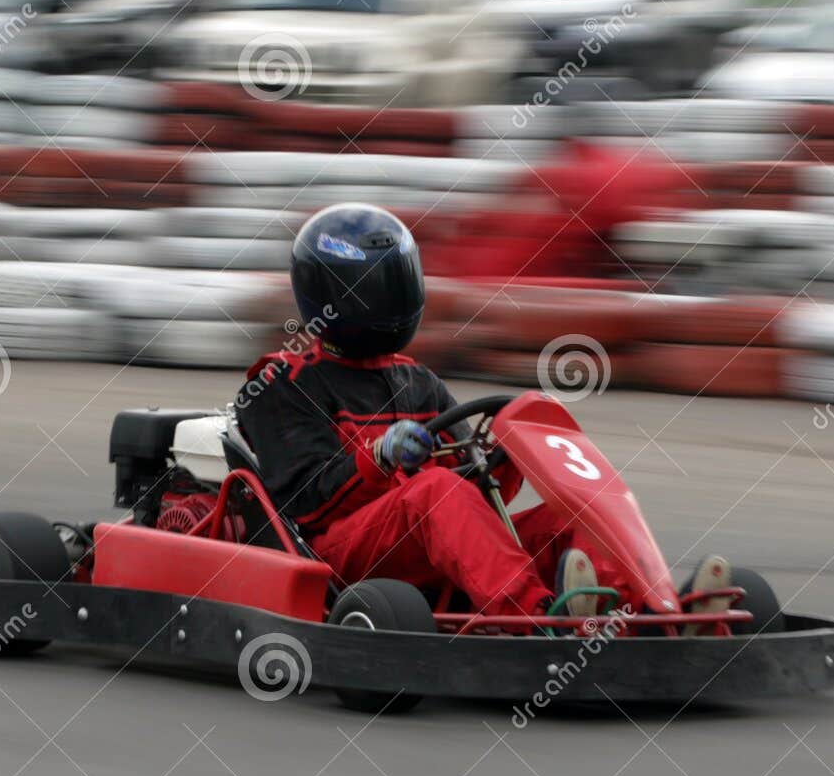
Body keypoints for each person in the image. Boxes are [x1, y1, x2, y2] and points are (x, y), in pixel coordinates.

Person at [236, 204, 683, 623]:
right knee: (436, 490)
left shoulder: (420, 382)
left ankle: (634, 608)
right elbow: (306, 505)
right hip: (338, 552)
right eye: (377, 287)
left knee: (569, 515)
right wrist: (381, 457)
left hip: (424, 541)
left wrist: (504, 462)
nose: (392, 299)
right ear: (329, 293)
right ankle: (532, 616)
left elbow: (476, 502)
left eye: (399, 282)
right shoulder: (284, 383)